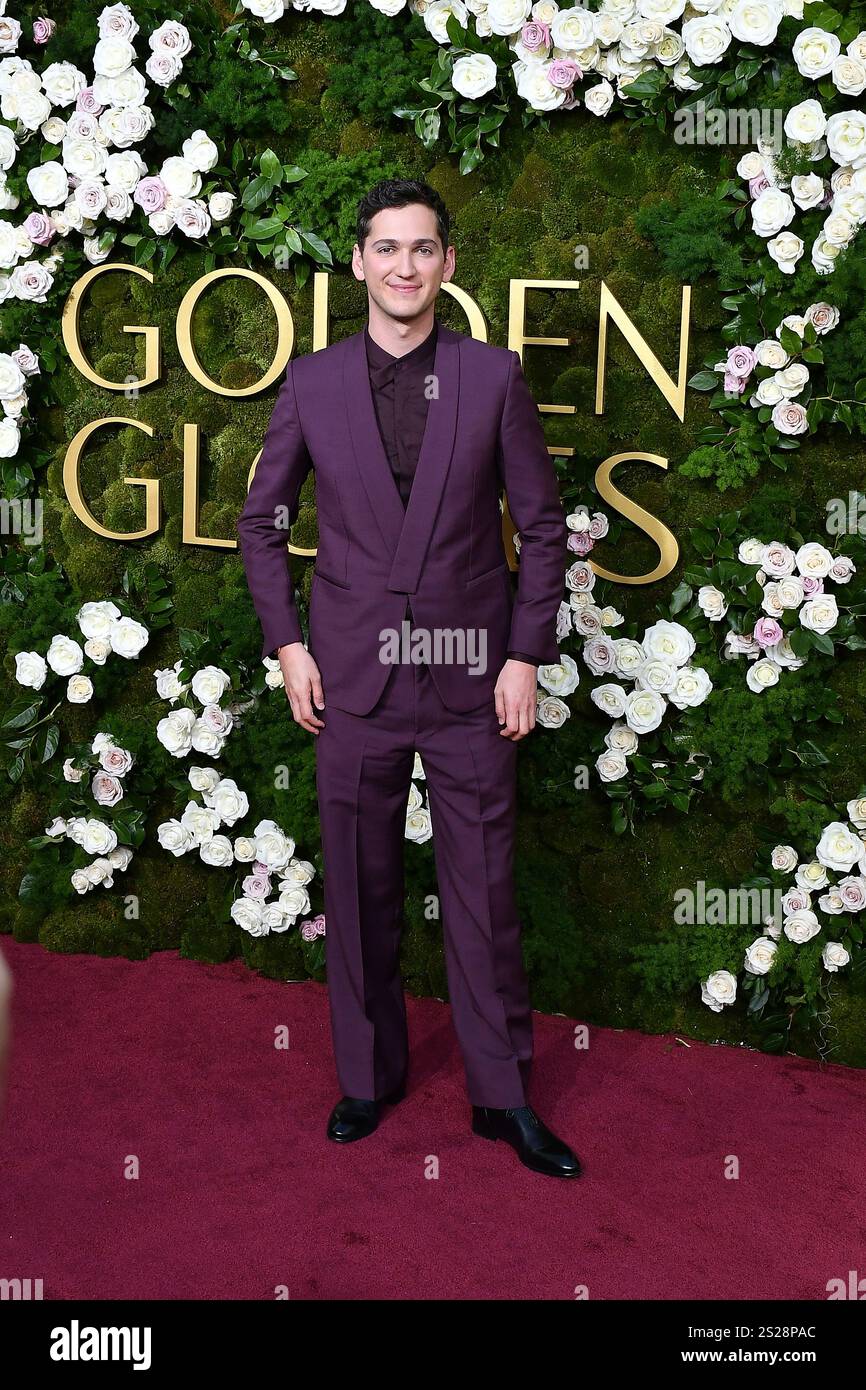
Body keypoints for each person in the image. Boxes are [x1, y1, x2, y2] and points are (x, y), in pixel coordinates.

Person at [237, 178, 580, 1178]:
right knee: (357, 881)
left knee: (482, 889)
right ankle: (367, 1075)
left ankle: (502, 1095)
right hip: (346, 676)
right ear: (356, 262)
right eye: (384, 248)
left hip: (473, 674)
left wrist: (522, 654)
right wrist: (288, 647)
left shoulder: (494, 376)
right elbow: (261, 526)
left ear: (448, 264)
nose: (402, 265)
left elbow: (541, 526)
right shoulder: (310, 382)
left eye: (421, 248)